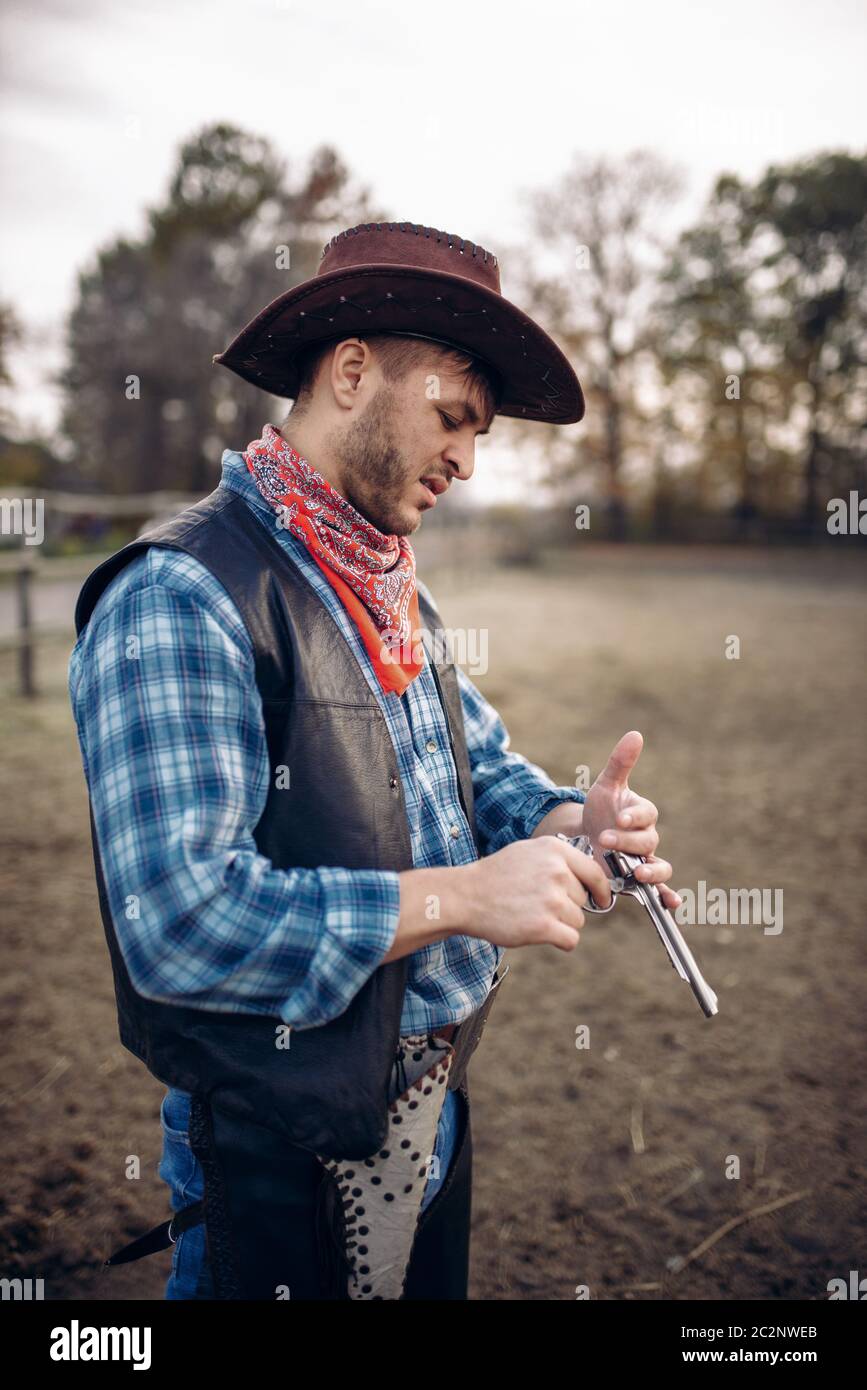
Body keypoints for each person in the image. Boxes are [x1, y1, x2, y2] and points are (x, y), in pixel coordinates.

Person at [68, 220, 679, 1301]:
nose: (466, 459)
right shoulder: (180, 592)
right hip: (276, 1147)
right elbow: (178, 921)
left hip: (431, 1115)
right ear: (351, 371)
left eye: (480, 434)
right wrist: (461, 898)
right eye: (453, 418)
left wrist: (566, 824)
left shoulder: (392, 580)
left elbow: (473, 770)